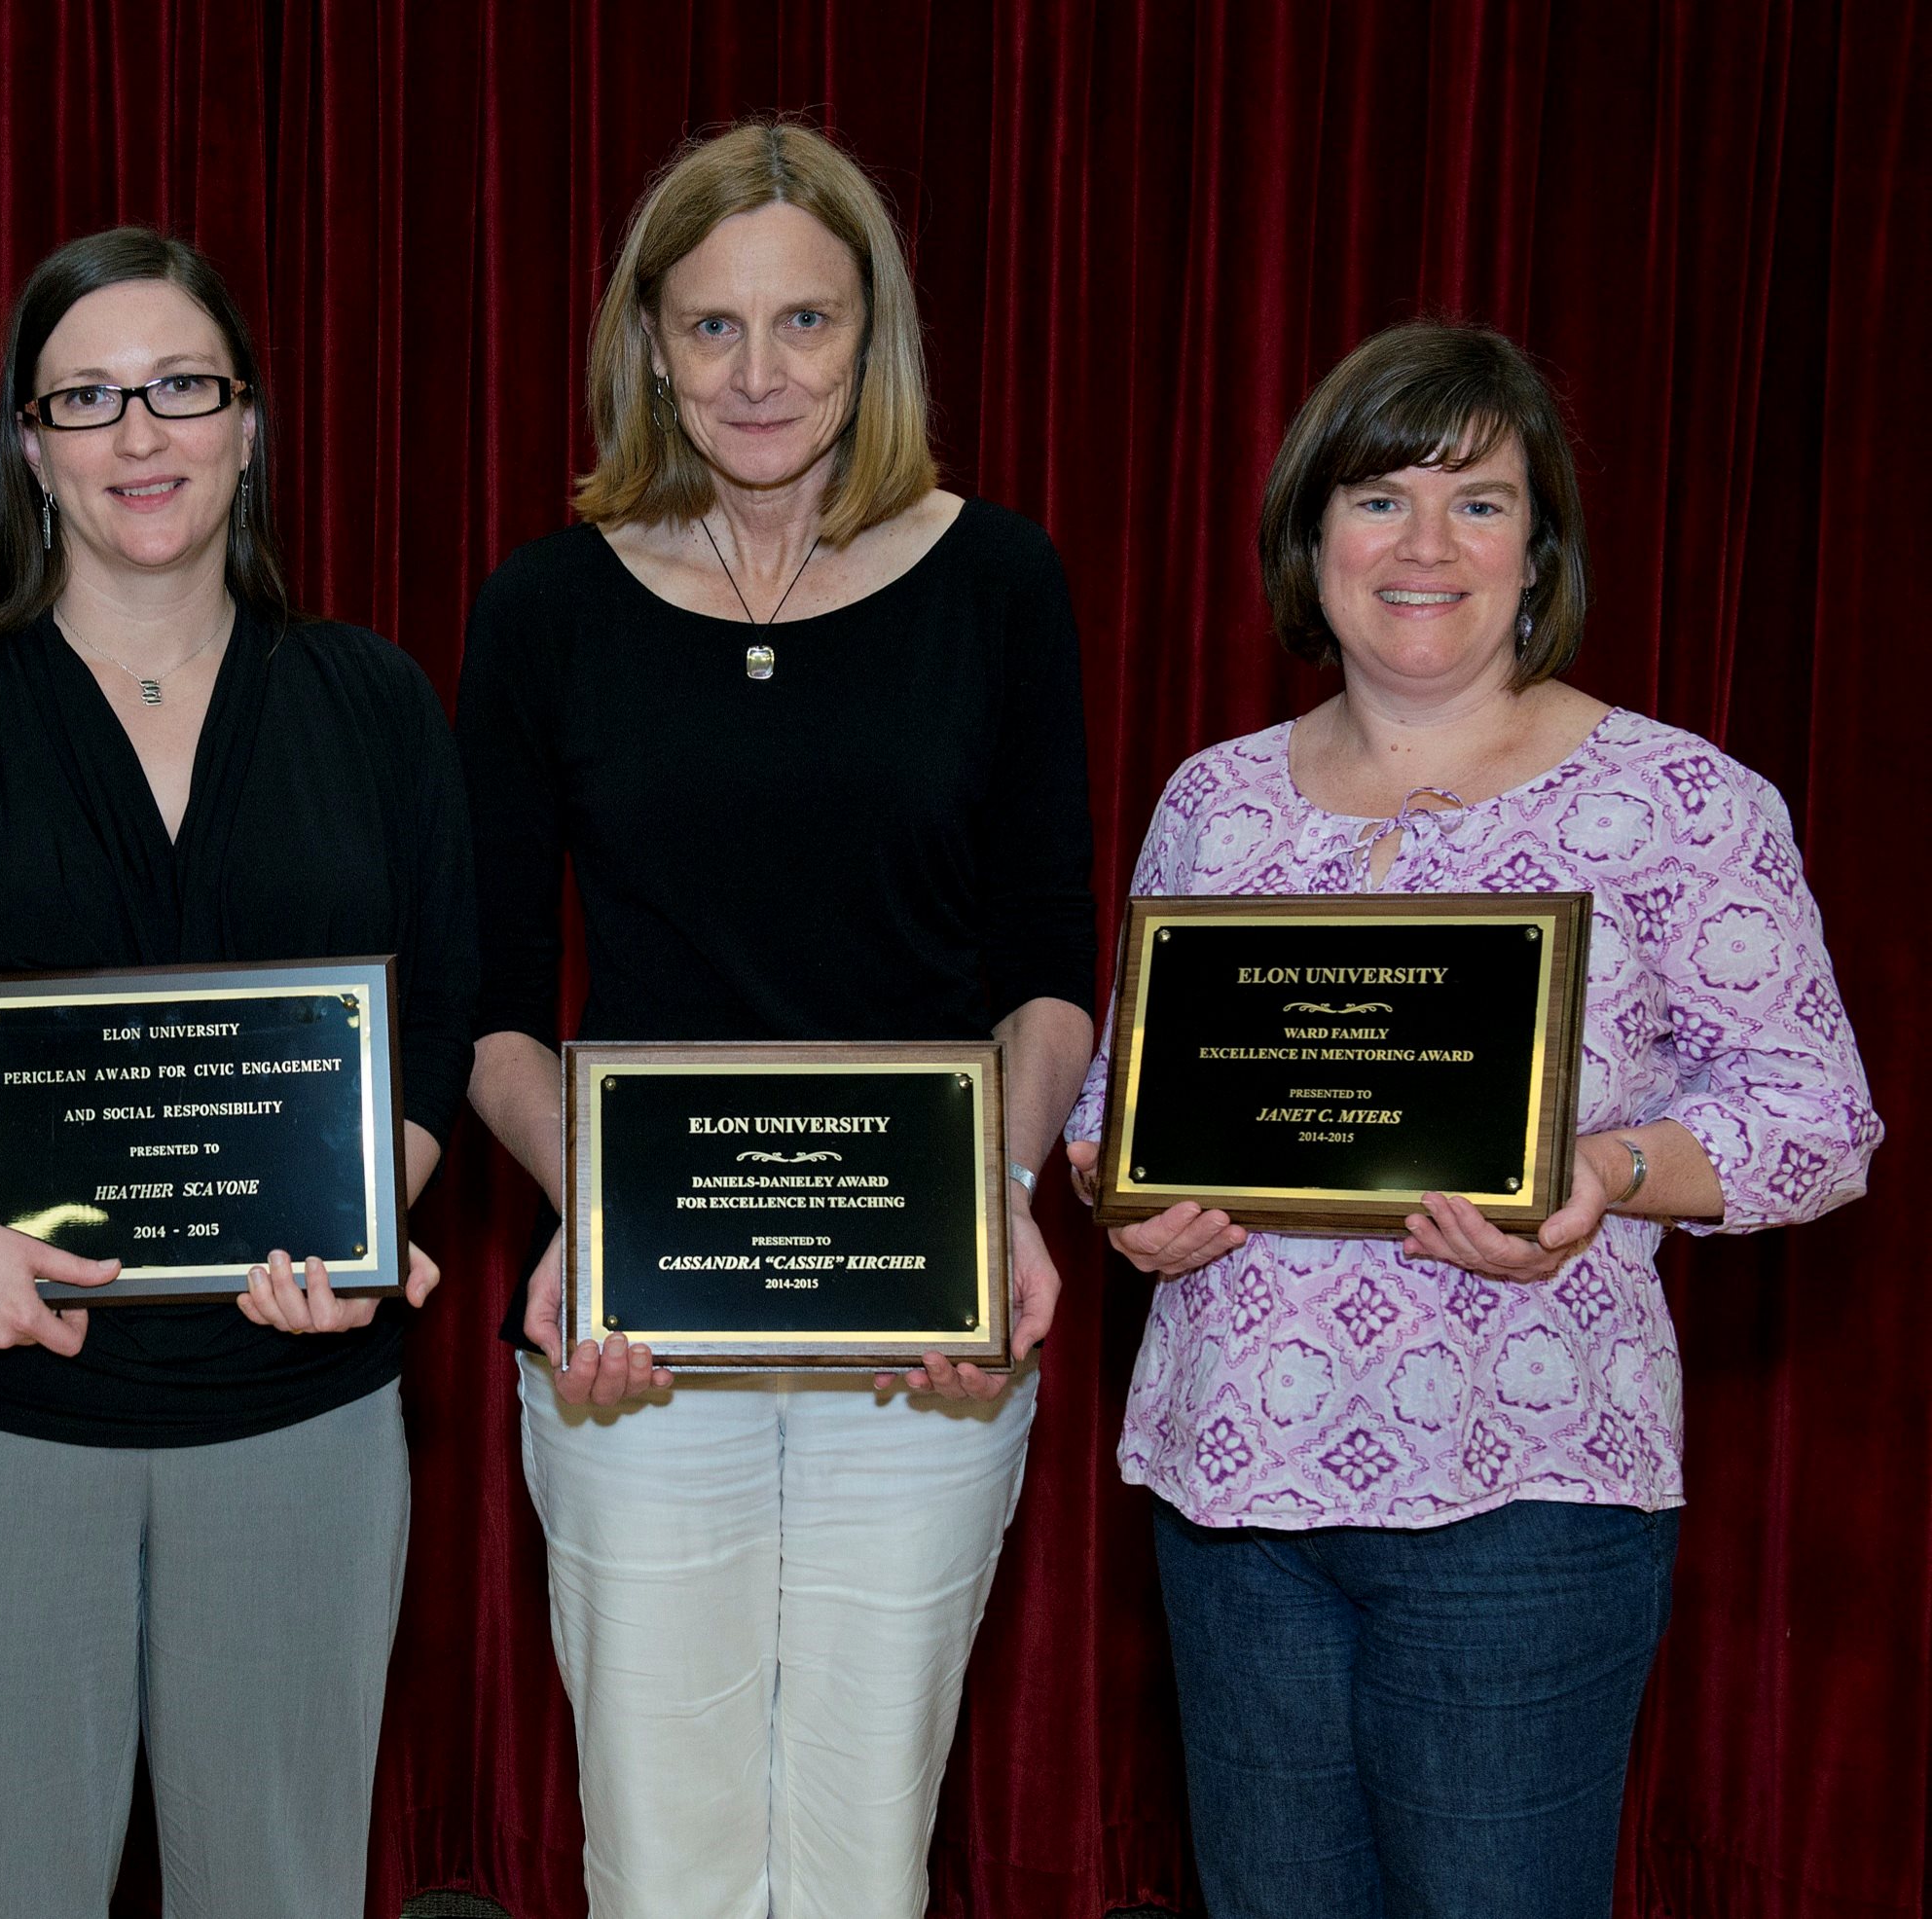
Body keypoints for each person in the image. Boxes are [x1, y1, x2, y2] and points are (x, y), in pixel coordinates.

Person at [1065, 319, 1882, 1917]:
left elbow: (1817, 1118)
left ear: (1539, 548)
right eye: (1379, 498)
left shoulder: (1680, 802)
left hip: (1526, 1487)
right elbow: (1125, 1100)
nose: (1425, 545)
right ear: (1312, 540)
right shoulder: (1212, 800)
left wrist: (1605, 1169)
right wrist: (1121, 1195)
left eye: (1480, 502)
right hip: (1236, 1487)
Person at [455, 122, 1098, 1919]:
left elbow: (1049, 968)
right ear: (650, 347)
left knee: (864, 1850)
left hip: (925, 1334)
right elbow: (489, 1013)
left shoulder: (1001, 583)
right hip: (642, 1337)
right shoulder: (545, 609)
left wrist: (1004, 1201)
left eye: (805, 321)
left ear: (871, 336)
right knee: (660, 1852)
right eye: (714, 325)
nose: (759, 372)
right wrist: (594, 1217)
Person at [0, 227, 475, 1919]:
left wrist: (367, 1224)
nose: (140, 433)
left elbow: (444, 1018)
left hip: (298, 1404)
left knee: (283, 1889)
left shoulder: (375, 702)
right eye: (86, 399)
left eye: (181, 386)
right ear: (30, 448)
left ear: (248, 422)